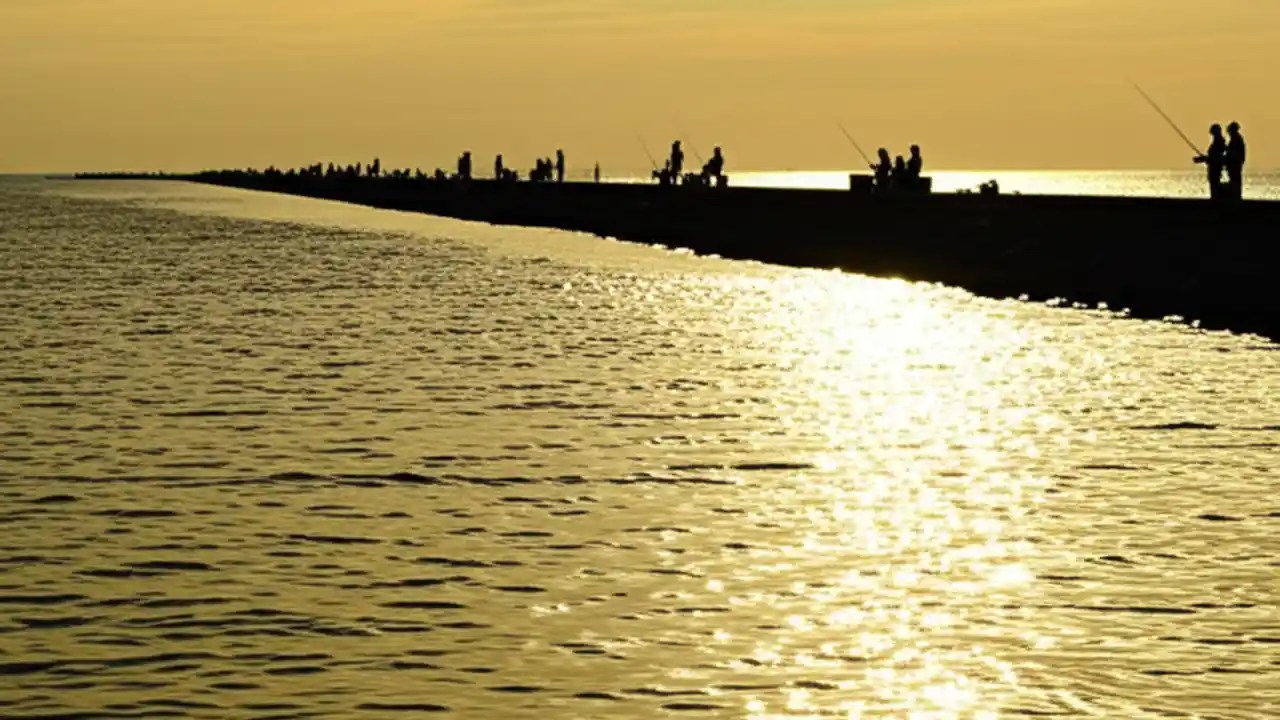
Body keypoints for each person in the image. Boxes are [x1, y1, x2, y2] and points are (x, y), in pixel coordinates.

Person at [1193, 124, 1226, 200]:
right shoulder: (1219, 142)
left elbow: (1214, 157)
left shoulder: (1218, 142)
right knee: (1214, 184)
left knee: (1214, 184)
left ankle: (1215, 200)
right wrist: (1203, 159)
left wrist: (1201, 159)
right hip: (1214, 167)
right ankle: (1215, 199)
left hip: (1215, 168)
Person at [1224, 121, 1246, 201]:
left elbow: (1233, 153)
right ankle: (1236, 196)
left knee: (1235, 180)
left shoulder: (1236, 139)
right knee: (1235, 180)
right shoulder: (1237, 139)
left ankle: (1236, 197)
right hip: (1236, 165)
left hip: (1235, 165)